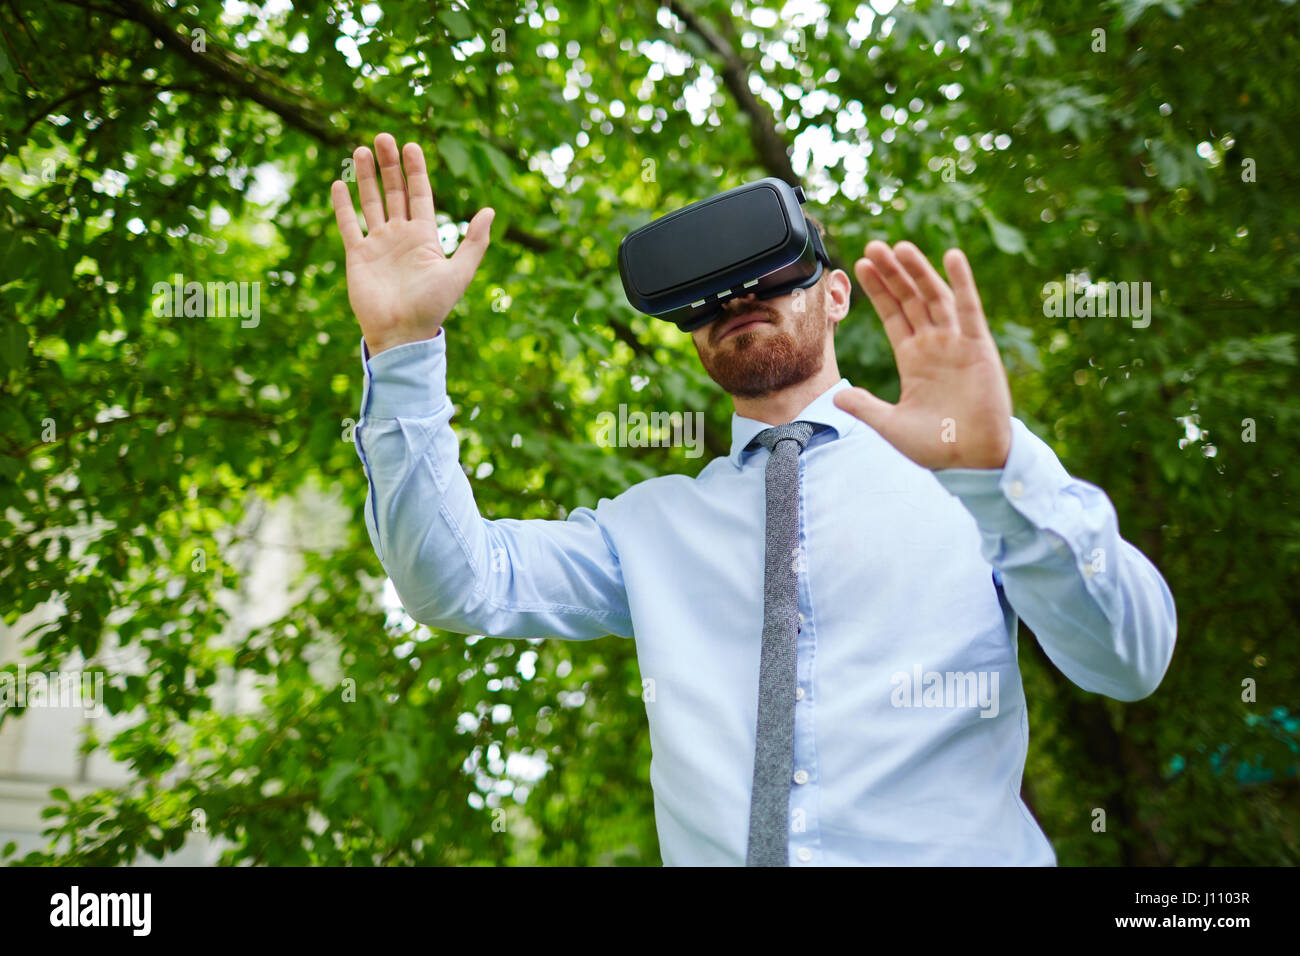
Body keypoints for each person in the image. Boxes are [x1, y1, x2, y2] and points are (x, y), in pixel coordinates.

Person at [330, 132, 1177, 866]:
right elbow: (452, 581)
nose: (736, 300)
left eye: (769, 274)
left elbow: (1129, 660)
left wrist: (999, 473)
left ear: (836, 294)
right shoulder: (648, 529)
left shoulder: (971, 483)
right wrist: (403, 349)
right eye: (705, 297)